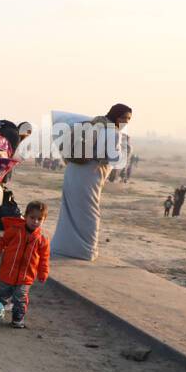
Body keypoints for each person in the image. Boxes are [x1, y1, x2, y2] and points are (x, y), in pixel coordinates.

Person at [50, 104, 132, 261]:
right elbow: (115, 158)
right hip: (89, 174)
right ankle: (85, 250)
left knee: (70, 210)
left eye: (128, 119)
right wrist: (128, 144)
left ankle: (63, 246)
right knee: (89, 212)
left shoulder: (94, 123)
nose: (125, 122)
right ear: (115, 116)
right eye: (123, 118)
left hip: (74, 169)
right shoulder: (113, 132)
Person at [0, 200, 50, 329]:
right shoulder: (15, 230)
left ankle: (17, 319)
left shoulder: (42, 239)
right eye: (32, 218)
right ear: (26, 216)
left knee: (20, 299)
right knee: (0, 295)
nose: (35, 222)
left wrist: (43, 272)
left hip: (26, 276)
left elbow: (44, 258)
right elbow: (1, 242)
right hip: (7, 273)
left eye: (40, 219)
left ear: (44, 220)